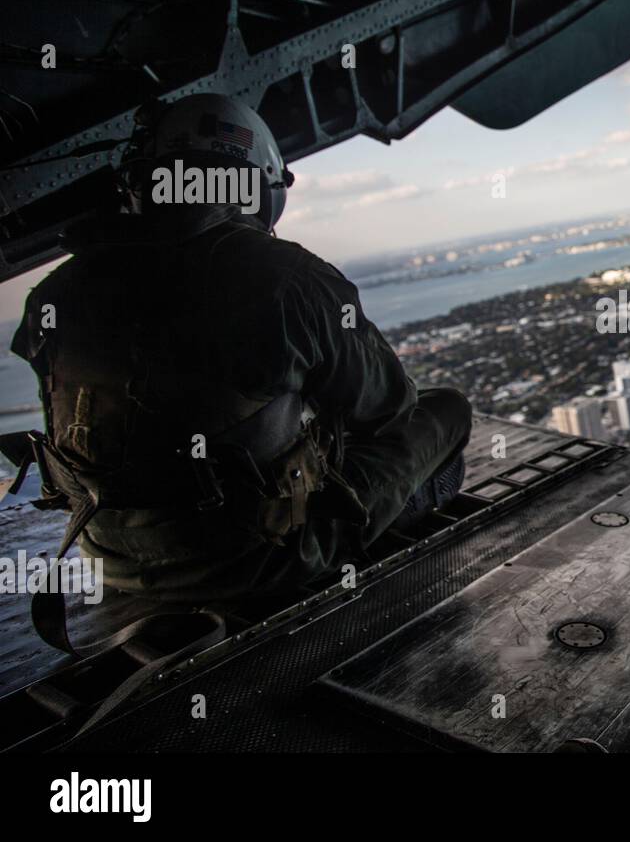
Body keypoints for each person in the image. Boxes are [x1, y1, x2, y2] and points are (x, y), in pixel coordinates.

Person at [11, 93, 471, 607]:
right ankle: (382, 531)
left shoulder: (55, 292)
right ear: (255, 186)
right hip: (257, 560)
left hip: (107, 555)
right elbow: (388, 409)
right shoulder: (287, 277)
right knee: (447, 409)